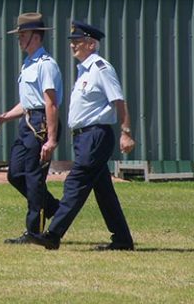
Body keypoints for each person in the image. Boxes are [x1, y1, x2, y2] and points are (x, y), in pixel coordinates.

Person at [29, 21, 135, 251]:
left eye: (77, 41)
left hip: (96, 135)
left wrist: (126, 133)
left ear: (91, 43)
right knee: (103, 191)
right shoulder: (85, 70)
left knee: (75, 182)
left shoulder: (100, 68)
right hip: (84, 137)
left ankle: (53, 234)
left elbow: (119, 101)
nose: (72, 46)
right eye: (72, 42)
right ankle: (122, 239)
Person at [0, 12, 62, 244]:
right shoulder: (28, 64)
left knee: (33, 178)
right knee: (15, 174)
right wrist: (4, 117)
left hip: (40, 124)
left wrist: (51, 139)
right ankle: (53, 208)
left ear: (36, 37)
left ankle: (34, 232)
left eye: (23, 35)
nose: (19, 39)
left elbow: (50, 102)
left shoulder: (46, 65)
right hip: (28, 122)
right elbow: (28, 102)